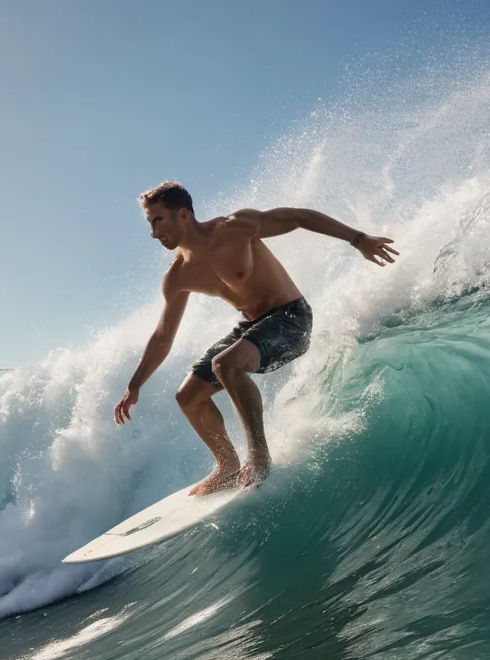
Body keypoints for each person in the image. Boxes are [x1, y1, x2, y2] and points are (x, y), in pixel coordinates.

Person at [114, 182, 398, 495]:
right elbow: (163, 336)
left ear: (183, 215)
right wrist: (134, 385)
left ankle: (259, 455)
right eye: (150, 224)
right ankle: (227, 466)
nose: (153, 233)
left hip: (292, 319)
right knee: (187, 397)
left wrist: (358, 239)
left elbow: (297, 217)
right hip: (252, 326)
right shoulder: (178, 275)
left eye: (157, 221)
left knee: (226, 365)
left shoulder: (235, 228)